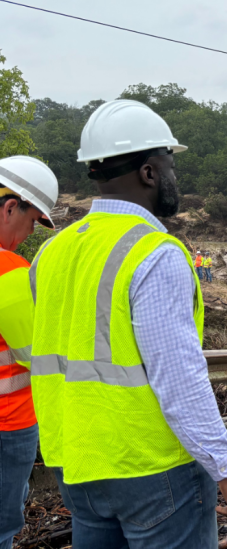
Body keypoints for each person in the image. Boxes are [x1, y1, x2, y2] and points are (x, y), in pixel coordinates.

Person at [29, 99, 227, 548]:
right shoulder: (154, 253)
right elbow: (178, 377)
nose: (175, 177)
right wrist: (226, 468)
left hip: (75, 463)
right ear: (149, 172)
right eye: (170, 163)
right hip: (152, 469)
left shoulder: (49, 253)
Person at [0, 156, 58, 549]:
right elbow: (35, 352)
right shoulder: (8, 267)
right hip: (9, 424)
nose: (31, 232)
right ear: (9, 207)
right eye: (33, 220)